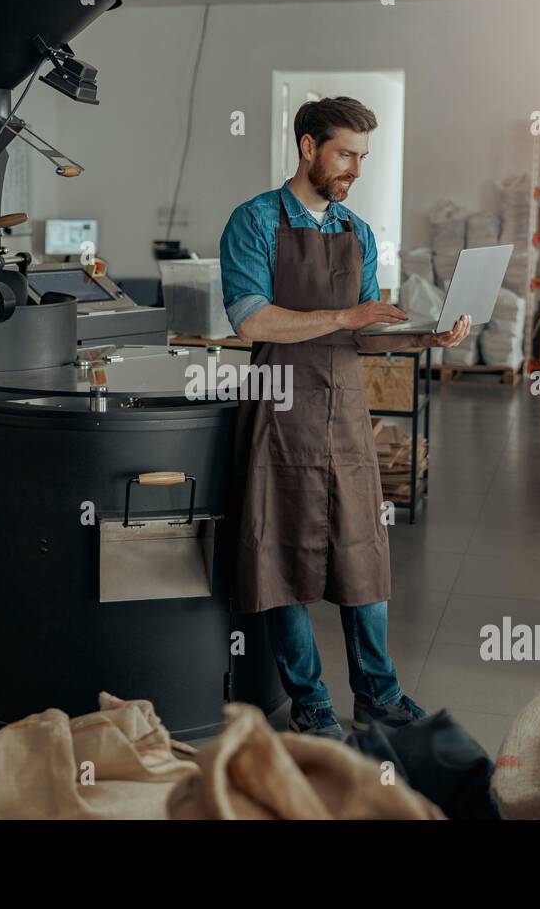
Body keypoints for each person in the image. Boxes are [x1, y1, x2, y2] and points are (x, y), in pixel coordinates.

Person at [220, 96, 470, 739]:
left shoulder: (355, 232)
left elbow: (365, 333)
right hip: (281, 410)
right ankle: (311, 703)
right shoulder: (251, 222)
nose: (356, 168)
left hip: (345, 414)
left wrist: (425, 339)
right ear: (308, 147)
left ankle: (379, 695)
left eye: (363, 156)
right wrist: (345, 317)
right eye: (346, 154)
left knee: (364, 554)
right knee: (284, 557)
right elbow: (251, 319)